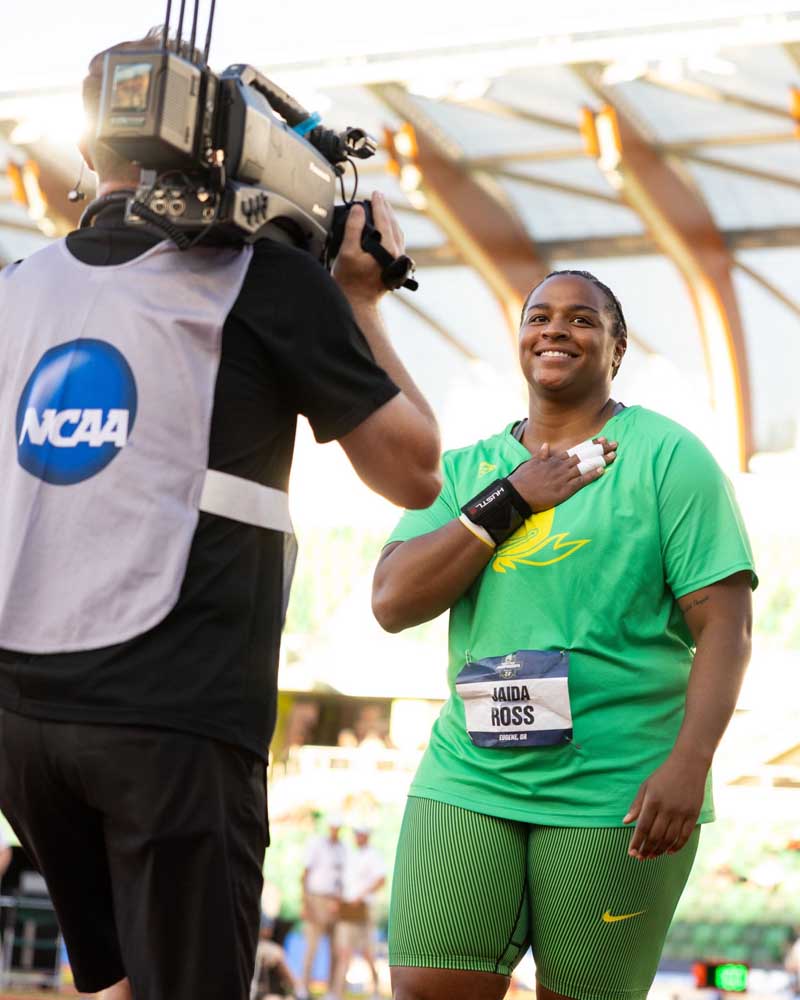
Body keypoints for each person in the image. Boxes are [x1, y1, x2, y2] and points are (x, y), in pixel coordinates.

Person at [0, 29, 440, 1000]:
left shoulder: (20, 287)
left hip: (22, 725)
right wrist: (361, 300)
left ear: (91, 146)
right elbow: (414, 472)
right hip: (172, 720)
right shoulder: (262, 278)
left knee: (113, 984)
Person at [371, 269, 756, 1000]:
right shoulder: (469, 470)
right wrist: (511, 497)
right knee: (426, 986)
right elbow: (392, 601)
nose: (555, 329)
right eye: (539, 316)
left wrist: (691, 762)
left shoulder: (668, 457)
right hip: (472, 774)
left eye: (582, 319)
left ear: (617, 349)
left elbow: (726, 626)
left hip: (617, 790)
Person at [331, 824, 386, 1000]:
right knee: (343, 952)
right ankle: (337, 993)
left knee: (367, 952)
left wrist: (361, 896)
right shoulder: (352, 855)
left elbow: (381, 880)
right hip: (348, 910)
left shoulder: (373, 855)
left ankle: (375, 990)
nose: (357, 837)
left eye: (360, 834)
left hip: (364, 910)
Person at [299, 815, 347, 999]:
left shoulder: (343, 849)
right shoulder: (316, 844)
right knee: (311, 947)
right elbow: (305, 874)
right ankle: (303, 988)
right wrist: (305, 903)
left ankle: (332, 992)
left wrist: (338, 900)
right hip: (316, 899)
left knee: (336, 948)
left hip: (335, 901)